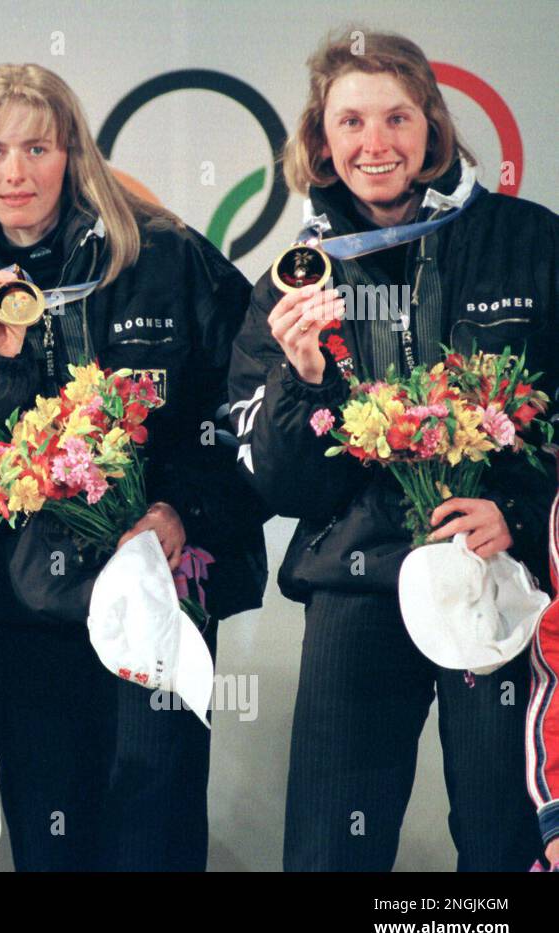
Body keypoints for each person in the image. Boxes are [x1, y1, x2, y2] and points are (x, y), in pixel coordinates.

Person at [228, 30, 558, 871]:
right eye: (350, 123)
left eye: (396, 117)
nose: (375, 144)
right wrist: (303, 375)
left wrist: (518, 513)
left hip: (500, 581)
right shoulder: (293, 280)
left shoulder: (529, 242)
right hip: (357, 585)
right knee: (331, 850)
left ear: (433, 126)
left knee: (504, 842)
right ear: (322, 142)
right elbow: (280, 488)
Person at [0, 63, 267, 871]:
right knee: (50, 834)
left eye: (38, 148)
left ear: (74, 152)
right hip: (27, 604)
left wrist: (176, 512)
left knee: (156, 828)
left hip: (161, 587)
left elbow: (247, 409)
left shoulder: (166, 255)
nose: (16, 173)